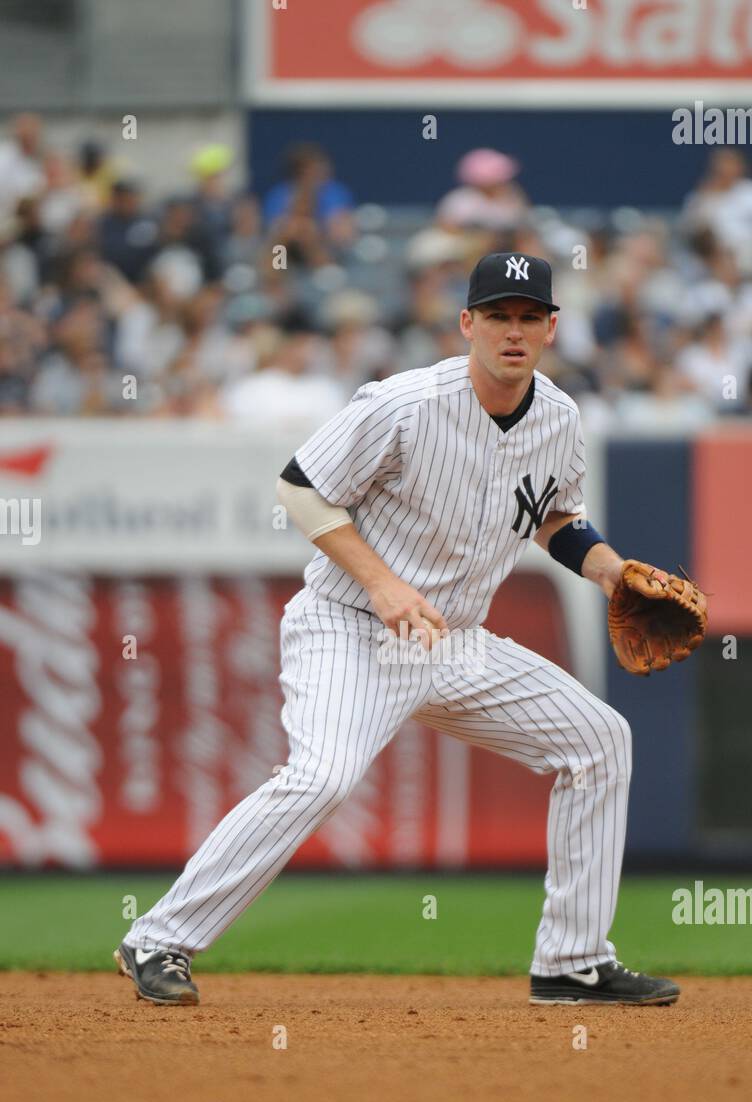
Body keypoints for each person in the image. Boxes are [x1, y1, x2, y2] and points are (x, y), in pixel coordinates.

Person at [114, 252, 682, 1010]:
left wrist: (610, 570)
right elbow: (299, 488)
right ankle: (158, 939)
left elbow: (554, 518)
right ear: (466, 323)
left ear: (550, 326)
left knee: (599, 741)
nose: (511, 331)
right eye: (496, 315)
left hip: (453, 644)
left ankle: (571, 963)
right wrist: (382, 584)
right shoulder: (404, 402)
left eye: (526, 317)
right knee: (321, 776)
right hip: (348, 626)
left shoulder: (559, 418)